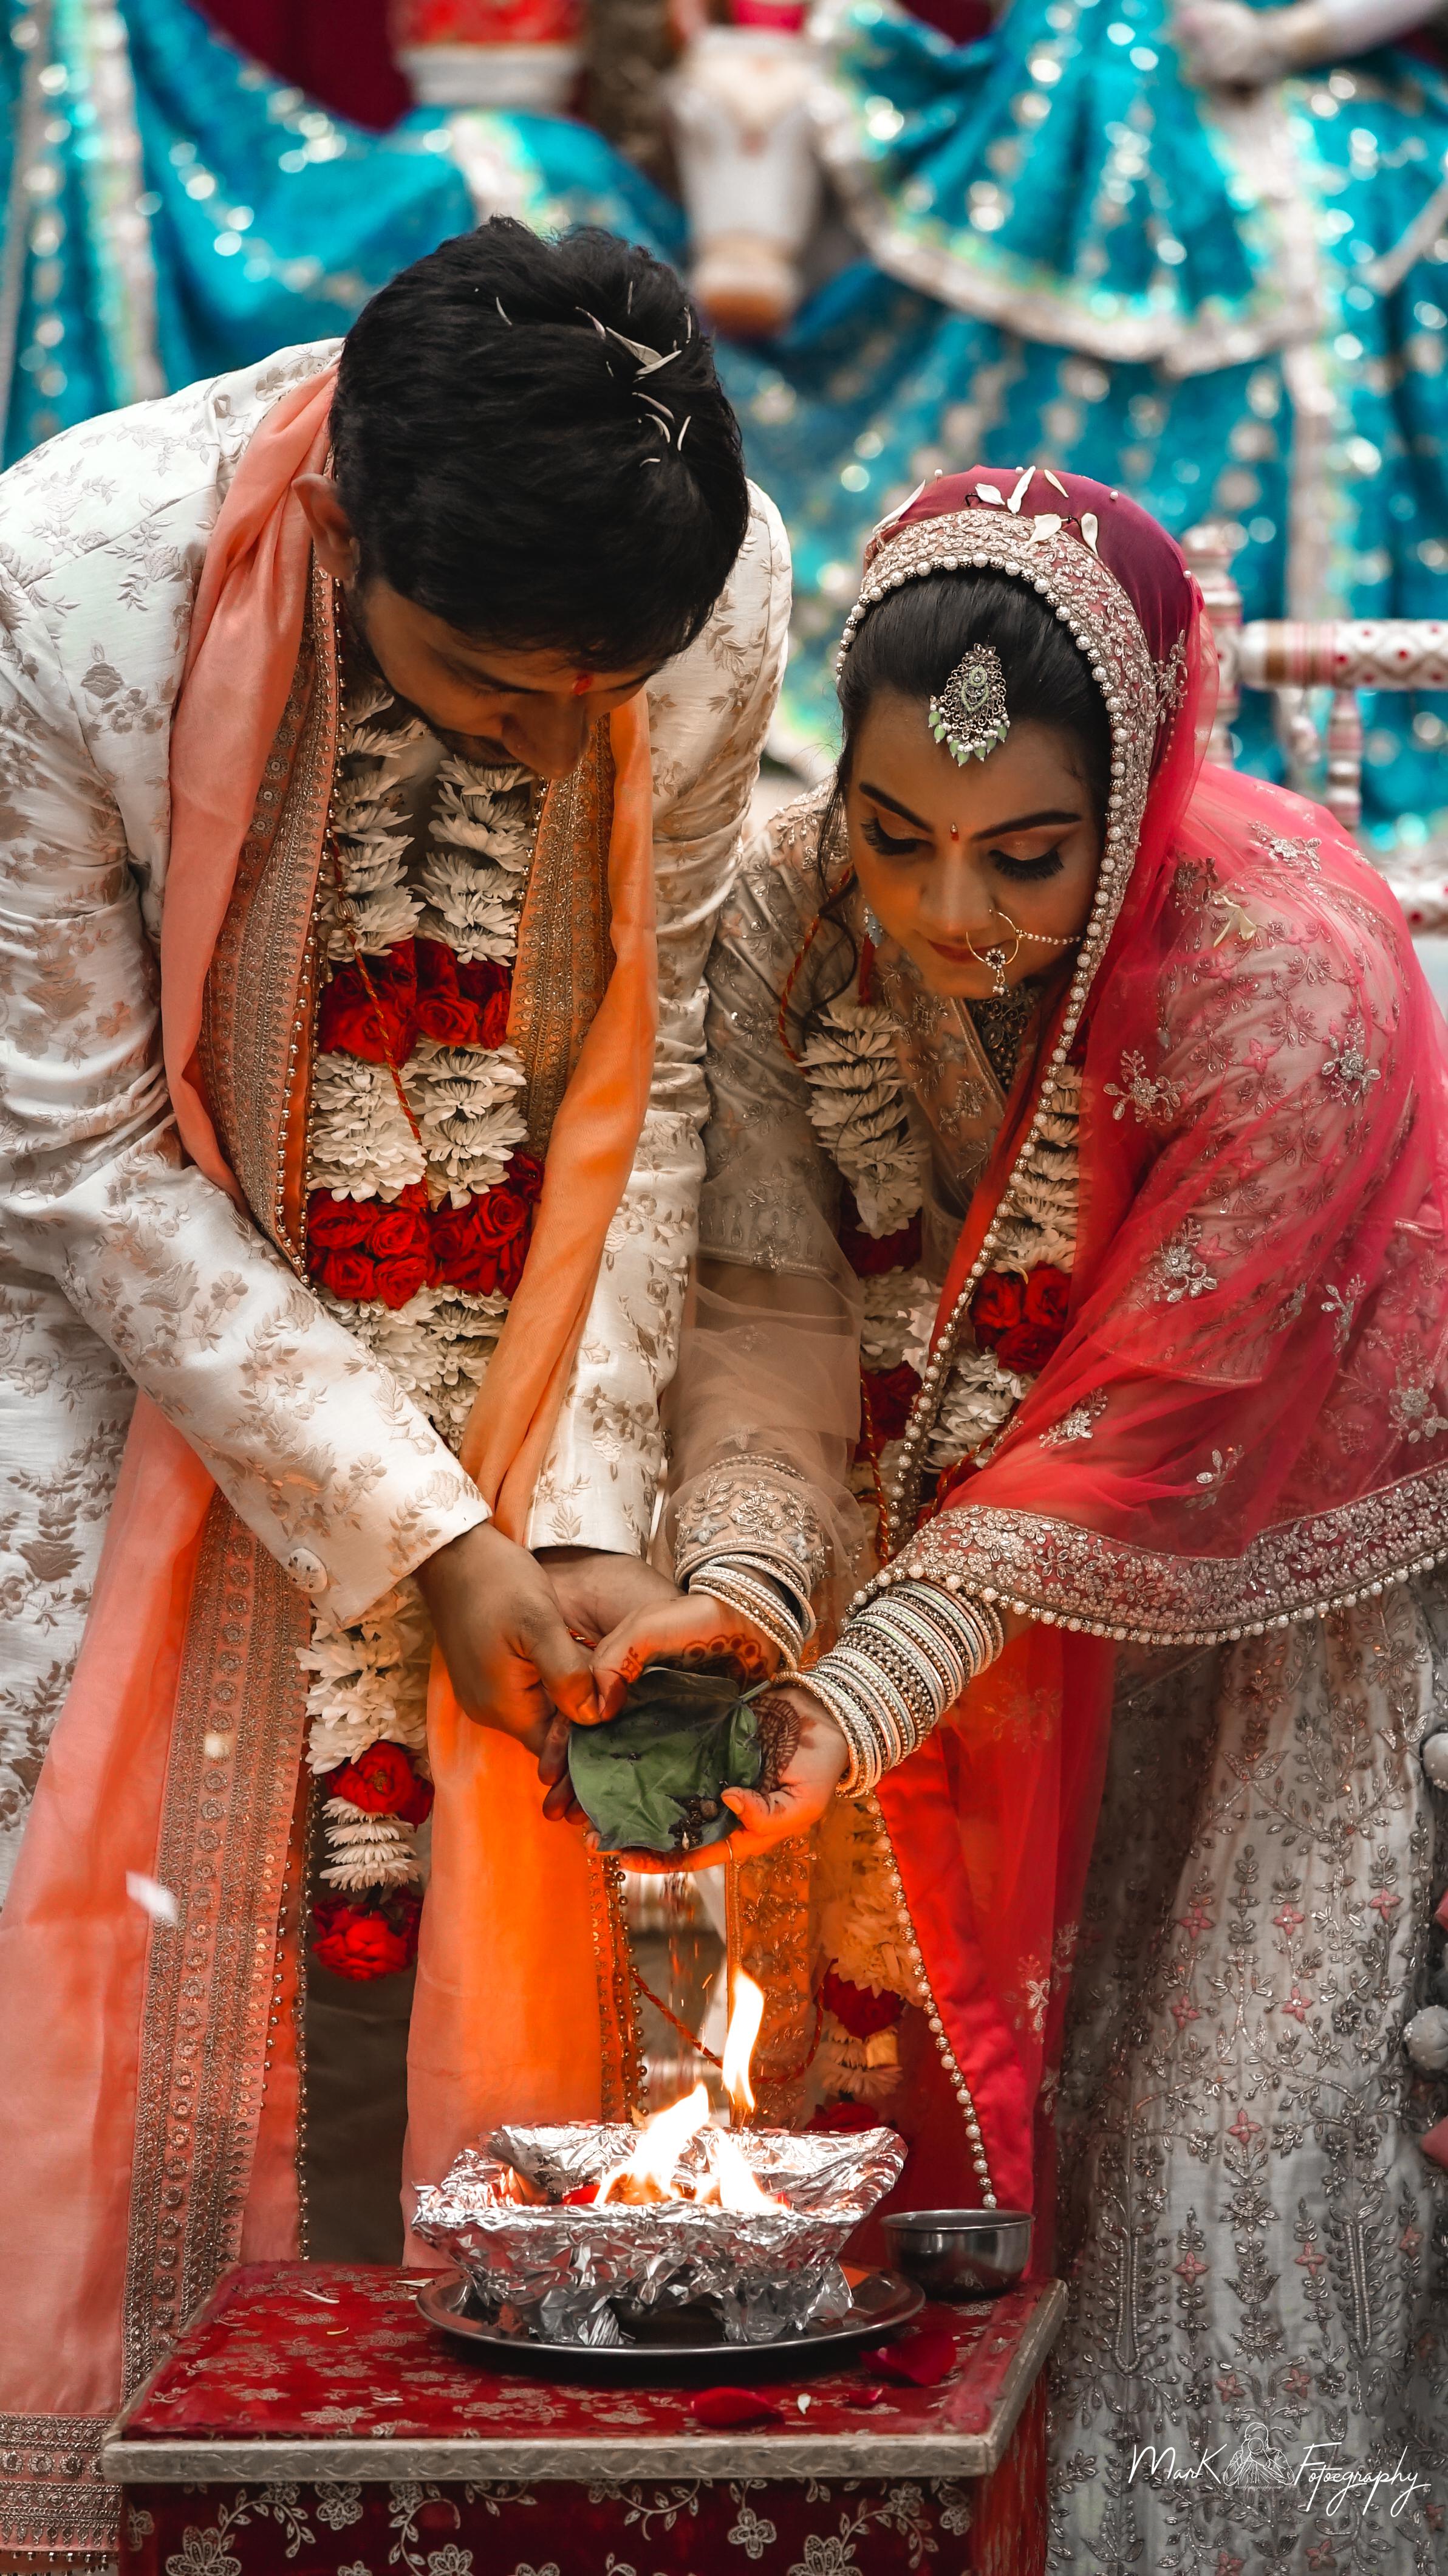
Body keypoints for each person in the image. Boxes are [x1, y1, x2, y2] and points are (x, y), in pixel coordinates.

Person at [0, 216, 788, 2561]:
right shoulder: (70, 594)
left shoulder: (710, 594)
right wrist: (414, 1526)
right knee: (107, 1919)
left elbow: (656, 1052)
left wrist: (571, 1508)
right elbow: (74, 1145)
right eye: (492, 687)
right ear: (344, 527)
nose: (561, 747)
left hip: (509, 1336)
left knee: (467, 1917)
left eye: (593, 700)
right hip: (97, 1346)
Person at [590, 469, 1448, 2567]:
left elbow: (1156, 1424)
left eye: (1026, 853)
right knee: (919, 2129)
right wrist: (740, 1594)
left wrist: (860, 1685)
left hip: (1298, 1577)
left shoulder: (1284, 981)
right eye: (895, 832)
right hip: (961, 1560)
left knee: (1211, 2151)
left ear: (1143, 788)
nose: (949, 913)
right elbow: (779, 1315)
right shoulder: (794, 925)